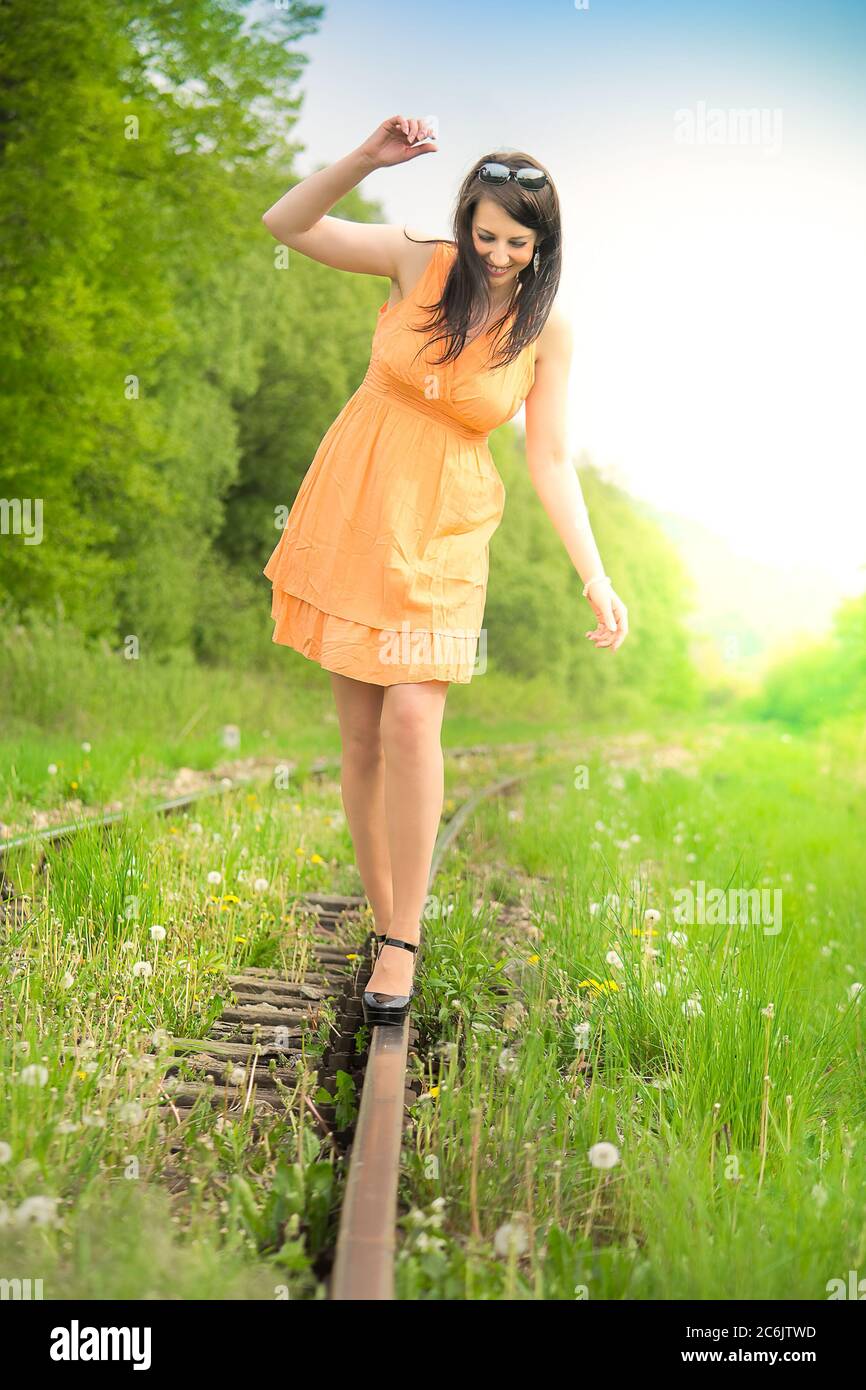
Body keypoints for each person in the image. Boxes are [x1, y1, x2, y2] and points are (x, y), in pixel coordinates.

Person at [261, 115, 628, 1026]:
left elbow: (549, 459)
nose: (497, 255)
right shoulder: (412, 258)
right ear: (466, 219)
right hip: (358, 499)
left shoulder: (546, 331)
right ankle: (387, 921)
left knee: (413, 717)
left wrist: (595, 574)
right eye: (487, 234)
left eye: (517, 243)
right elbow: (287, 224)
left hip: (451, 525)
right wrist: (361, 161)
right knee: (358, 736)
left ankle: (404, 939)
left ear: (543, 247)